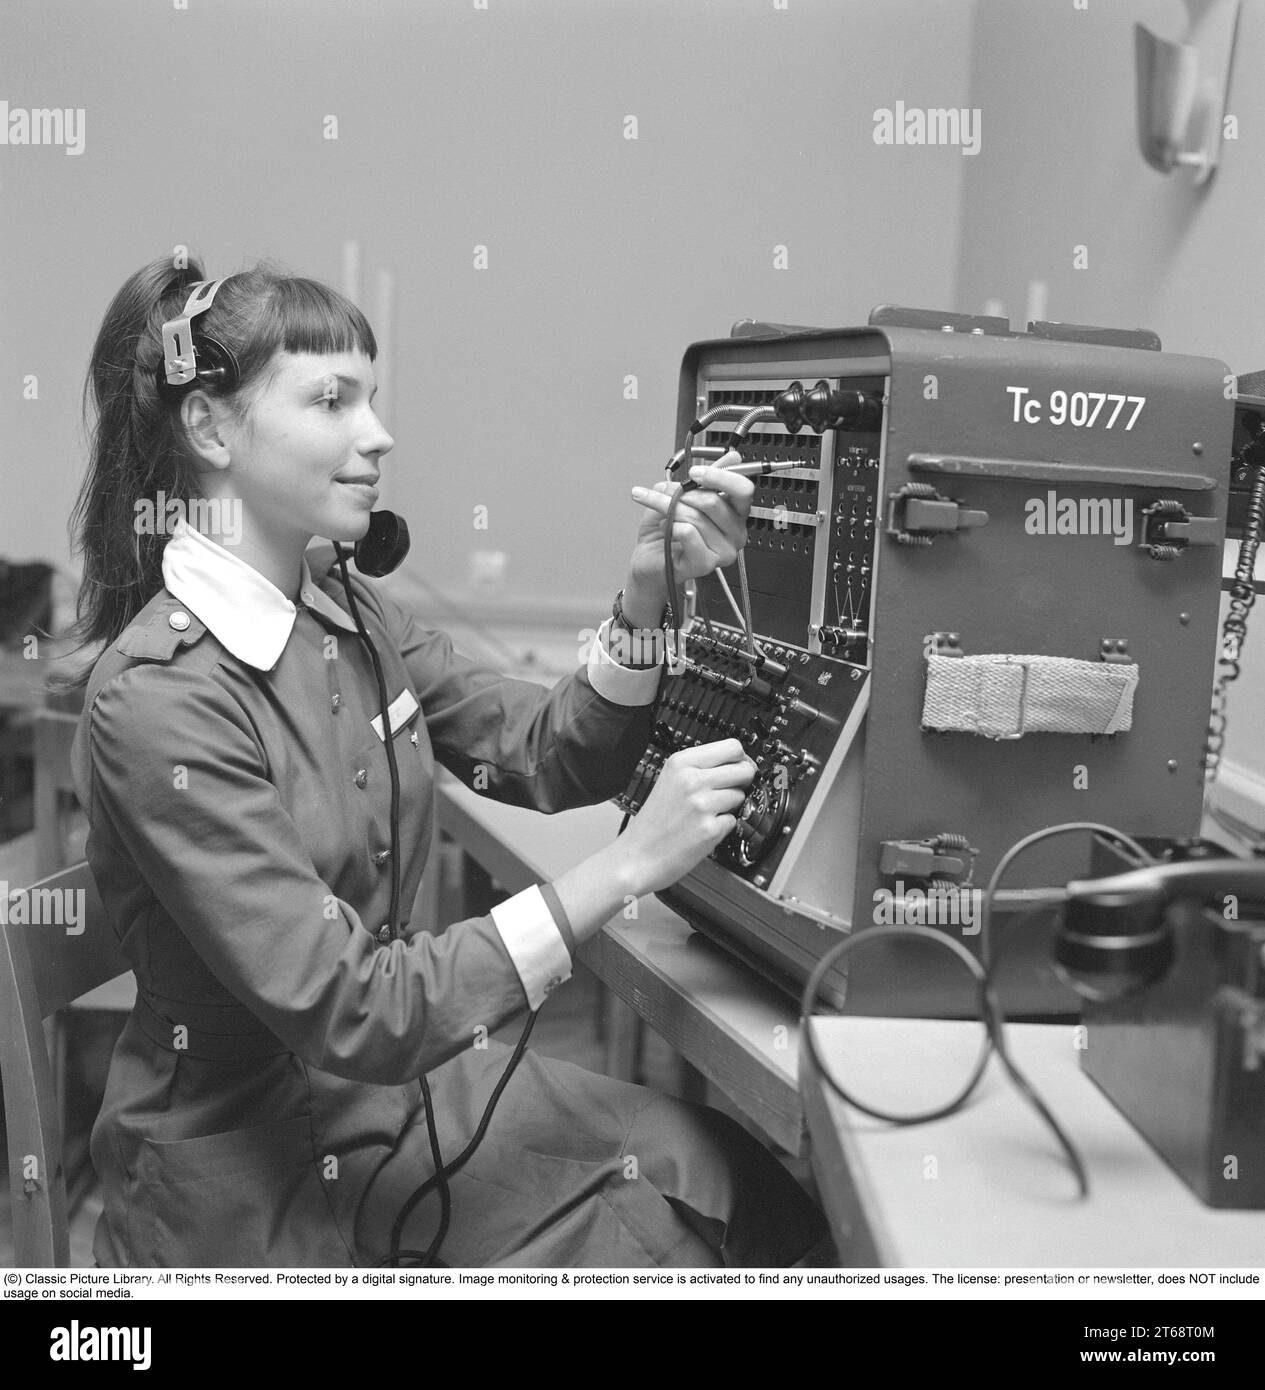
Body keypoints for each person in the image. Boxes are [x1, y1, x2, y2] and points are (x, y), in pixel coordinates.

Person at [66, 256, 827, 1268]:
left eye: (369, 399)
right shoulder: (160, 699)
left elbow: (543, 753)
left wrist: (645, 595)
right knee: (676, 1241)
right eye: (331, 400)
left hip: (385, 1098)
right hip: (245, 1190)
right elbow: (358, 1009)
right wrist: (629, 864)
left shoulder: (344, 608)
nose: (375, 435)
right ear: (208, 428)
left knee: (726, 1177)